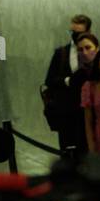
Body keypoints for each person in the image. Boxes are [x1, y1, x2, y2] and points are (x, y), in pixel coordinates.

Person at [41, 15, 94, 154]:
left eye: (79, 33)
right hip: (66, 113)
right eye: (72, 32)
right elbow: (49, 80)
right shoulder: (61, 53)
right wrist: (67, 81)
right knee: (67, 154)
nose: (75, 36)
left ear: (88, 32)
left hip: (89, 112)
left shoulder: (94, 51)